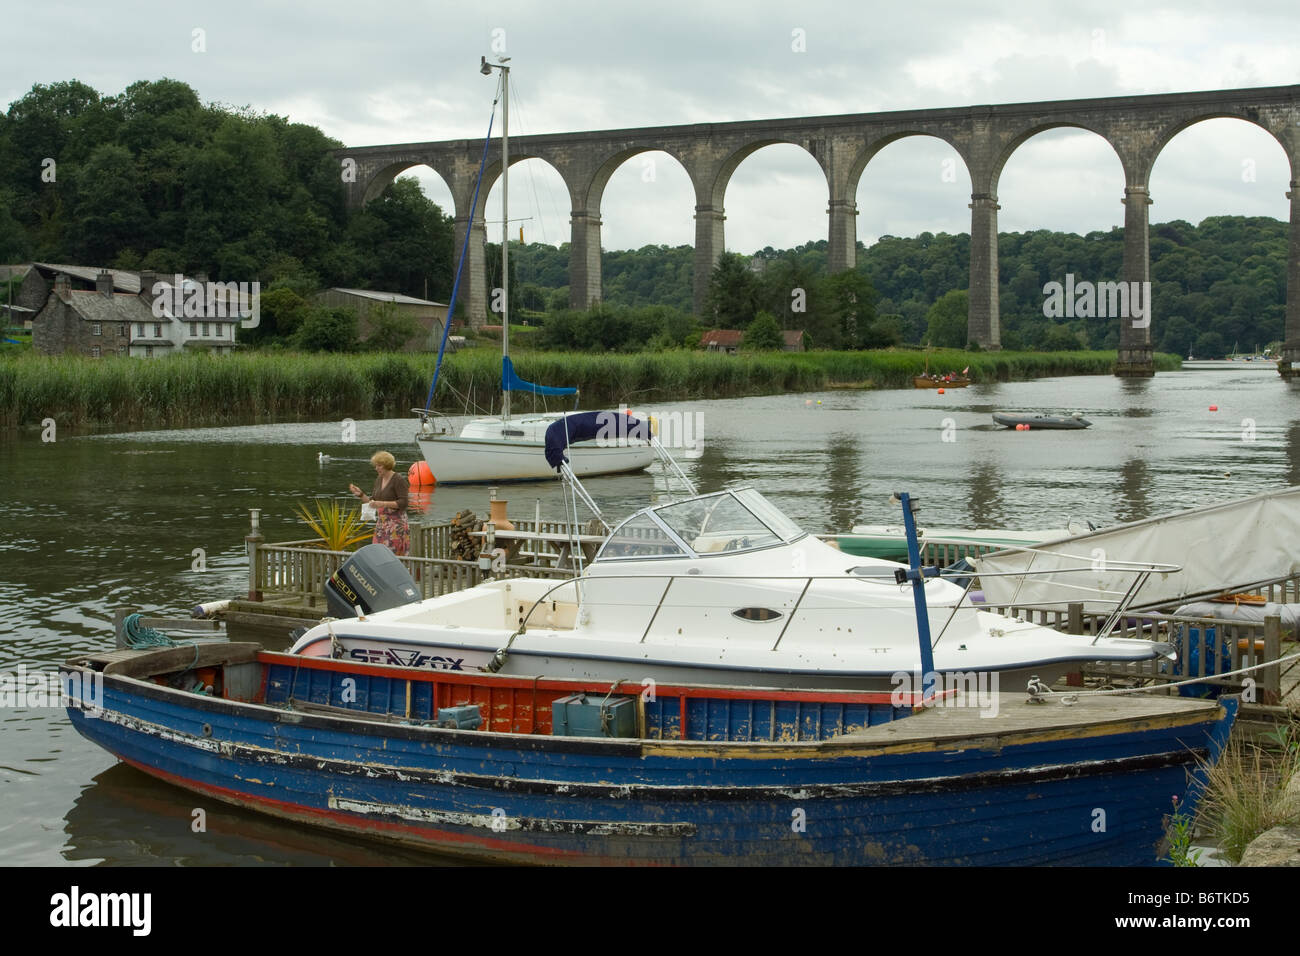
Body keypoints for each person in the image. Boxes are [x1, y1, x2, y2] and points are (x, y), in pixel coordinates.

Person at [349, 451, 409, 556]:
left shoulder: (398, 479)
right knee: (378, 555)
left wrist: (382, 503)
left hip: (396, 525)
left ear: (387, 465)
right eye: (376, 466)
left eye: (379, 466)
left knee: (393, 556)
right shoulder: (378, 479)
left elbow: (403, 502)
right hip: (381, 524)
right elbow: (373, 502)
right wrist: (361, 495)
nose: (376, 468)